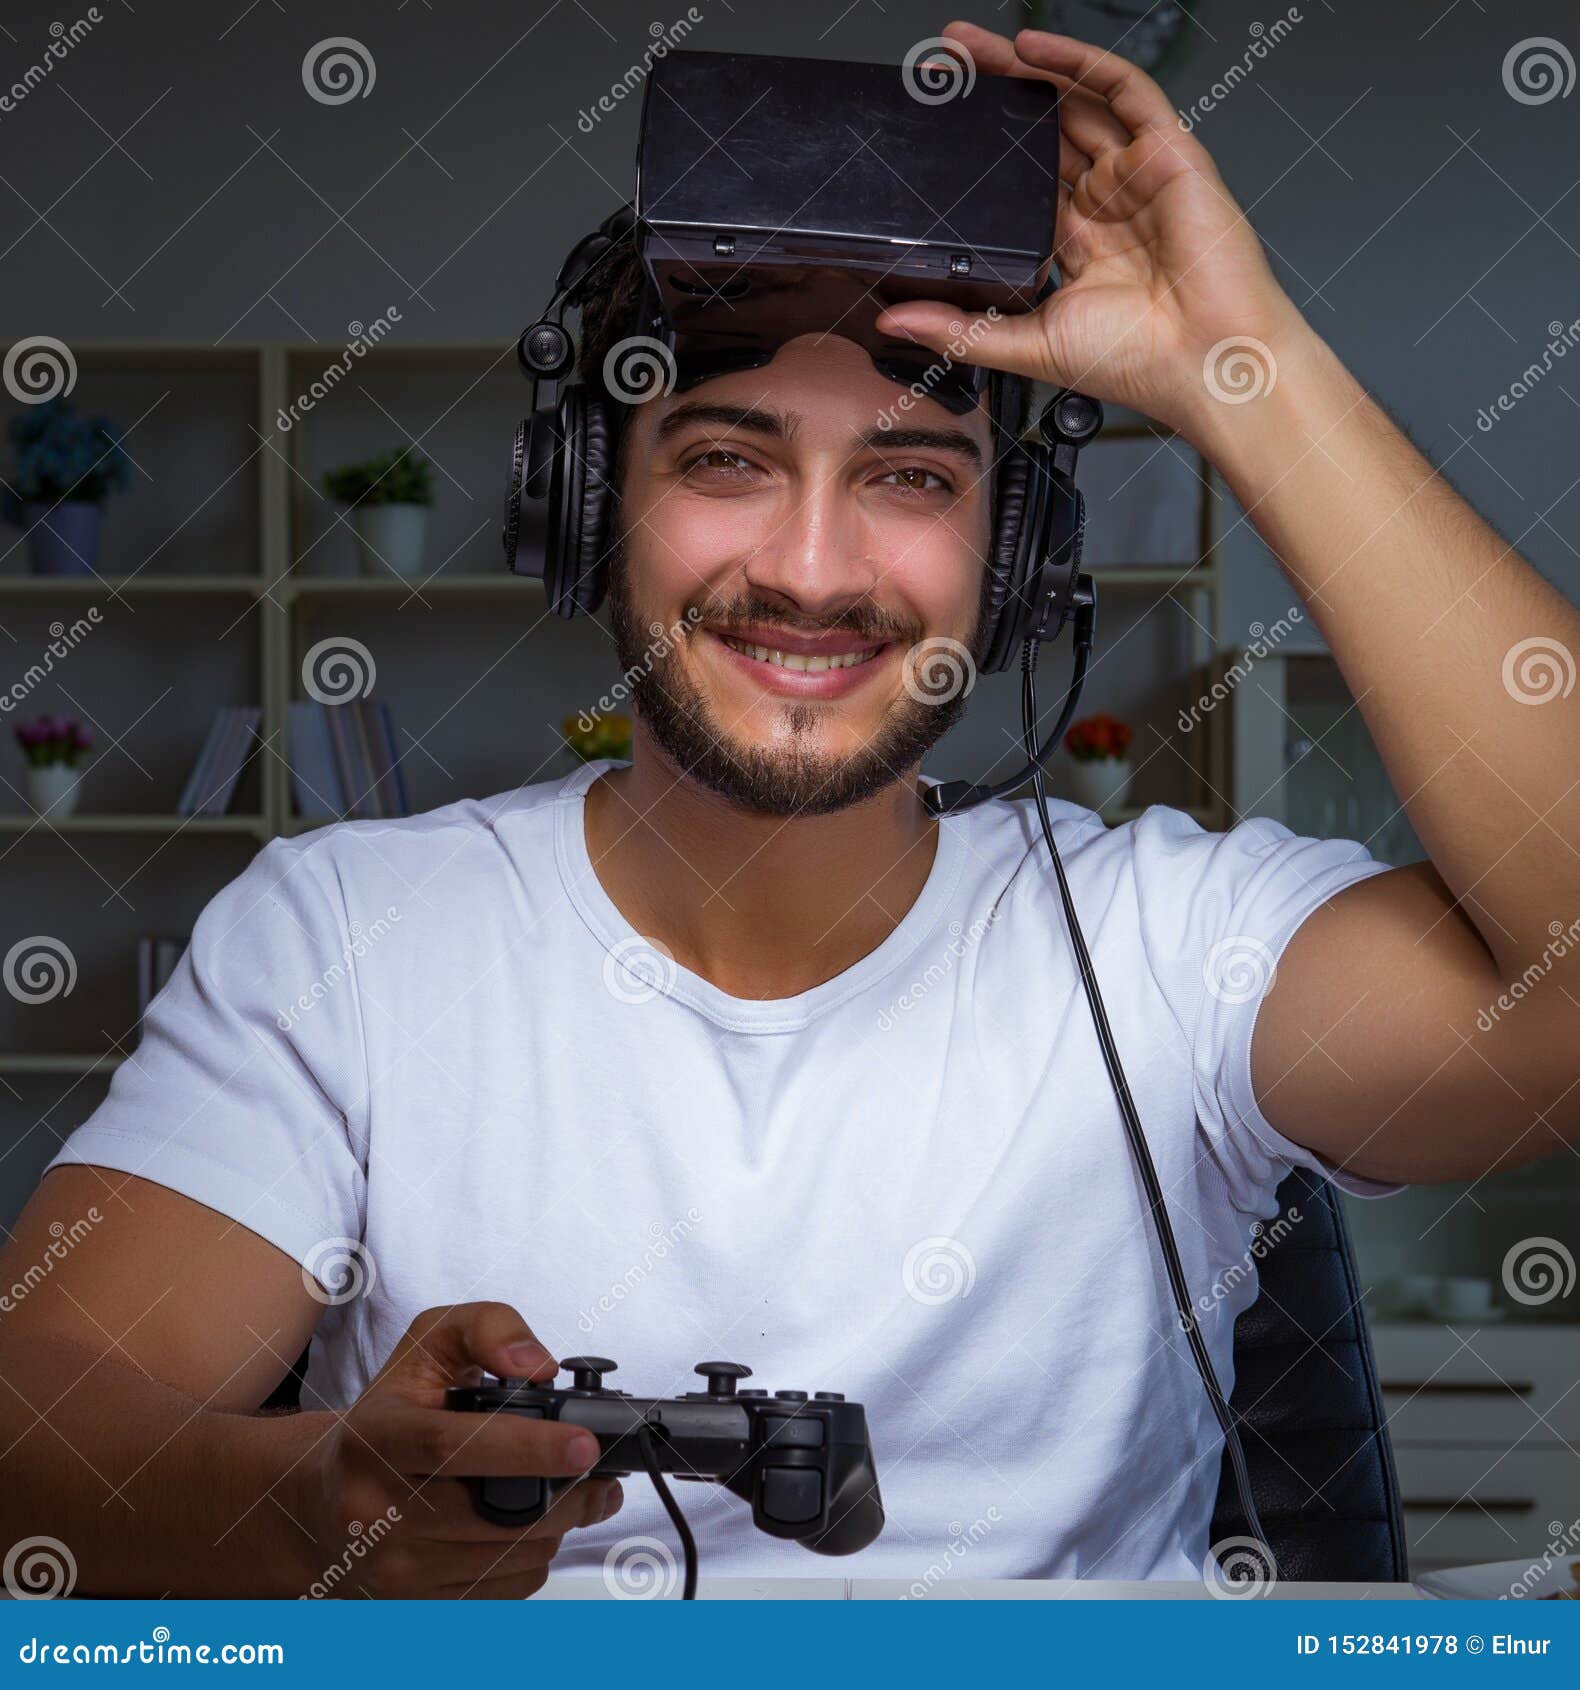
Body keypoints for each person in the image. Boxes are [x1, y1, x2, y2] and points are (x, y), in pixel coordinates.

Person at [3, 22, 1578, 1598]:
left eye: (911, 476)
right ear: (586, 508)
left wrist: (1247, 369)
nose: (813, 572)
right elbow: (32, 1440)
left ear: (1014, 560)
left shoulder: (1174, 941)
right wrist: (316, 1496)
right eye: (726, 458)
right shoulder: (343, 935)